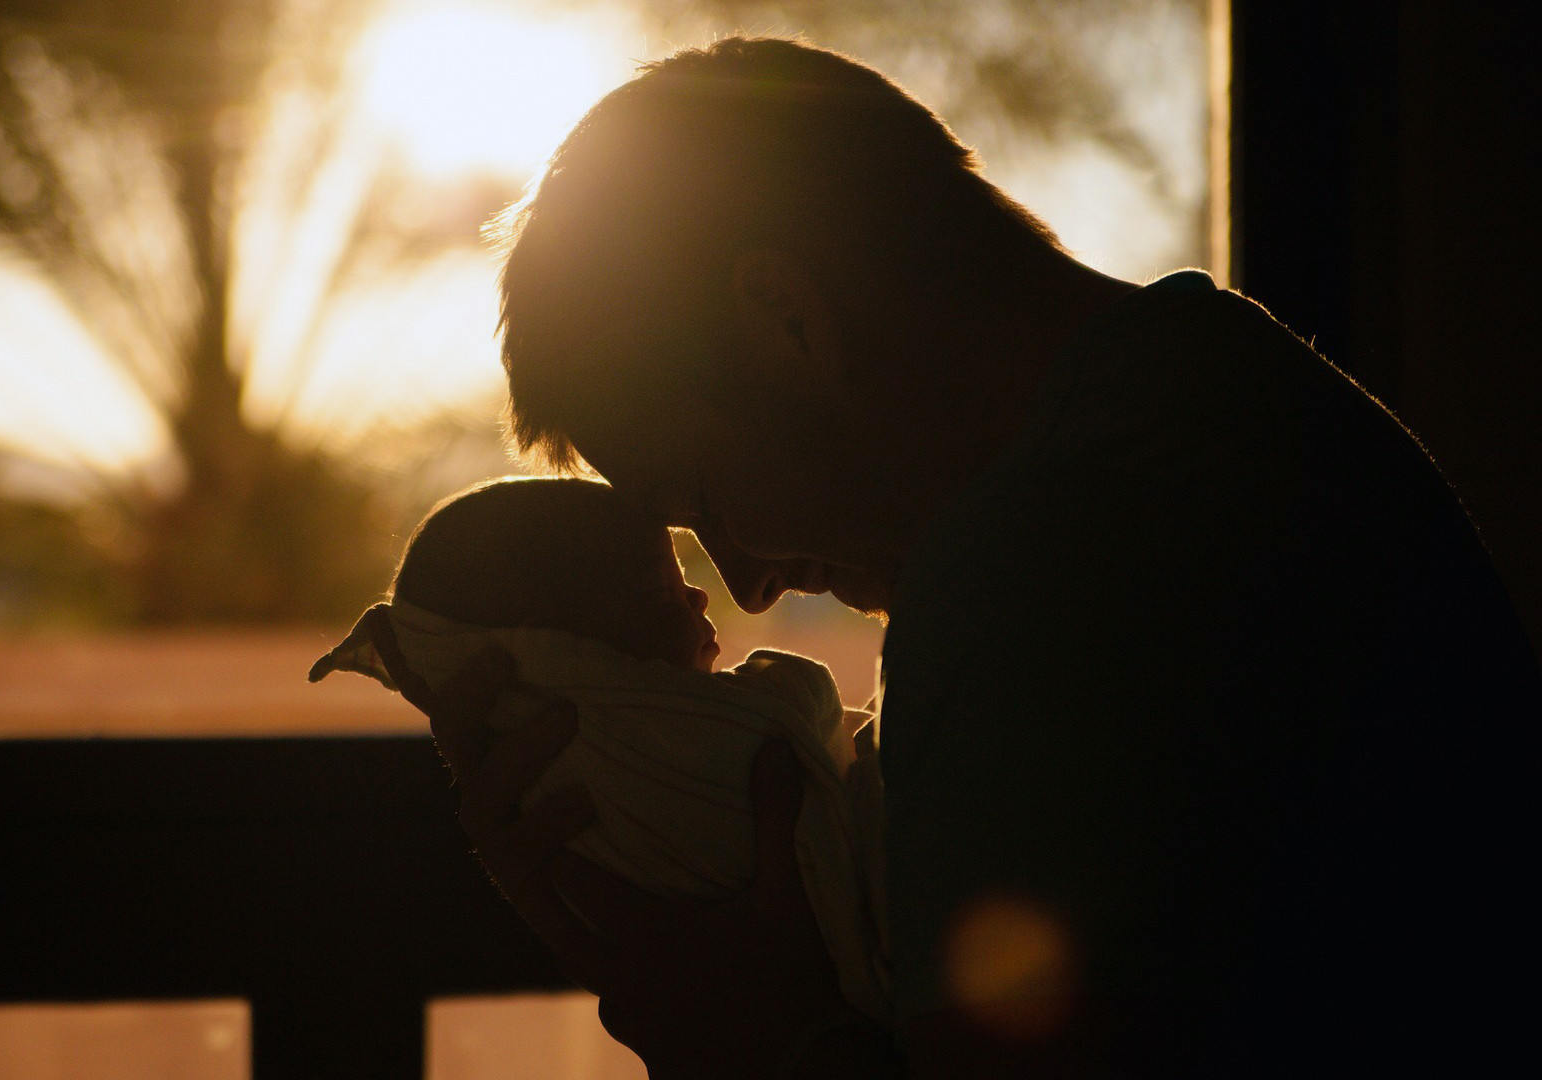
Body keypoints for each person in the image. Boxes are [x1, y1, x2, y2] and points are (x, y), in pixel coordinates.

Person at [389, 37, 1541, 1079]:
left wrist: (734, 1026)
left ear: (785, 319)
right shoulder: (1240, 399)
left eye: (704, 499)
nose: (745, 585)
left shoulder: (1039, 567)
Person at [310, 476, 891, 1022]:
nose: (708, 596)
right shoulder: (652, 743)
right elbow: (802, 720)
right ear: (557, 652)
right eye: (662, 591)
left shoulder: (552, 784)